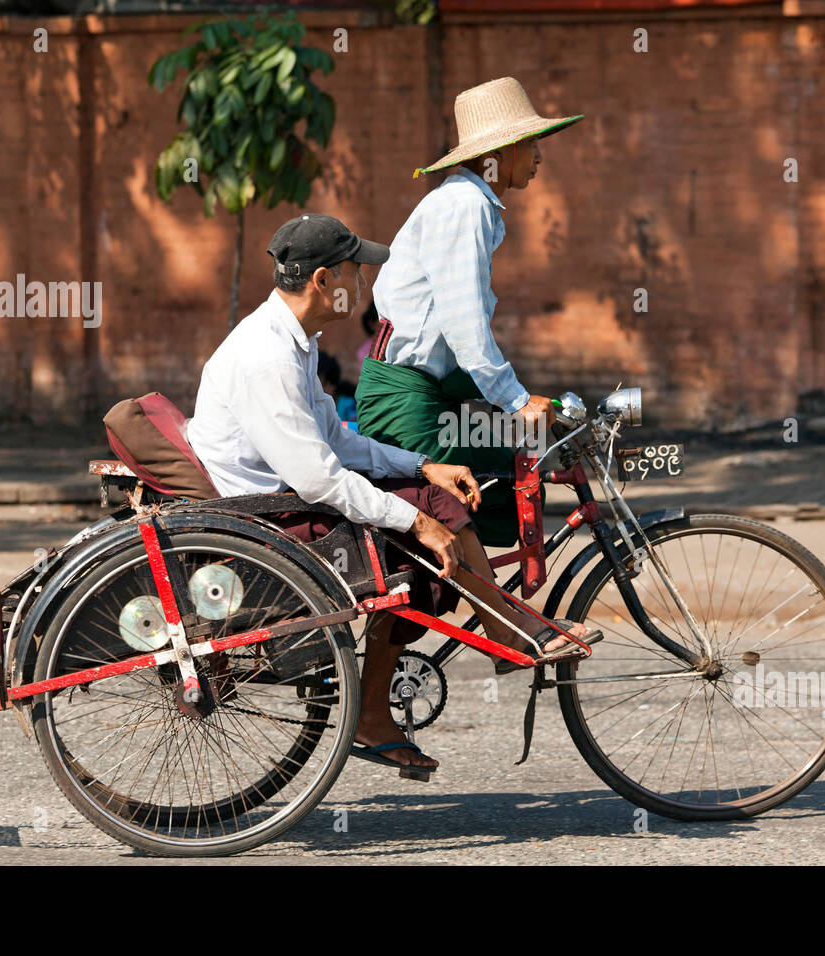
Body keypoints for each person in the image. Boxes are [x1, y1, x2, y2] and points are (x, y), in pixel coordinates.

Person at [187, 213, 595, 773]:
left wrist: (425, 464)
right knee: (429, 521)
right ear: (323, 280)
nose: (366, 287)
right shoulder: (268, 357)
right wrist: (414, 519)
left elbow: (341, 443)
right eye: (358, 273)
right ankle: (504, 630)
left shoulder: (294, 342)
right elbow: (319, 479)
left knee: (433, 498)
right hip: (273, 521)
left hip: (292, 498)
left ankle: (387, 704)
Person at [355, 77, 583, 546]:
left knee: (515, 471)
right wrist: (517, 402)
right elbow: (465, 326)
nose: (539, 156)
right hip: (407, 404)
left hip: (422, 395)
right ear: (497, 154)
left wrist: (513, 399)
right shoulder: (464, 206)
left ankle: (488, 607)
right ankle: (509, 620)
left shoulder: (466, 202)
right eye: (530, 142)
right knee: (507, 476)